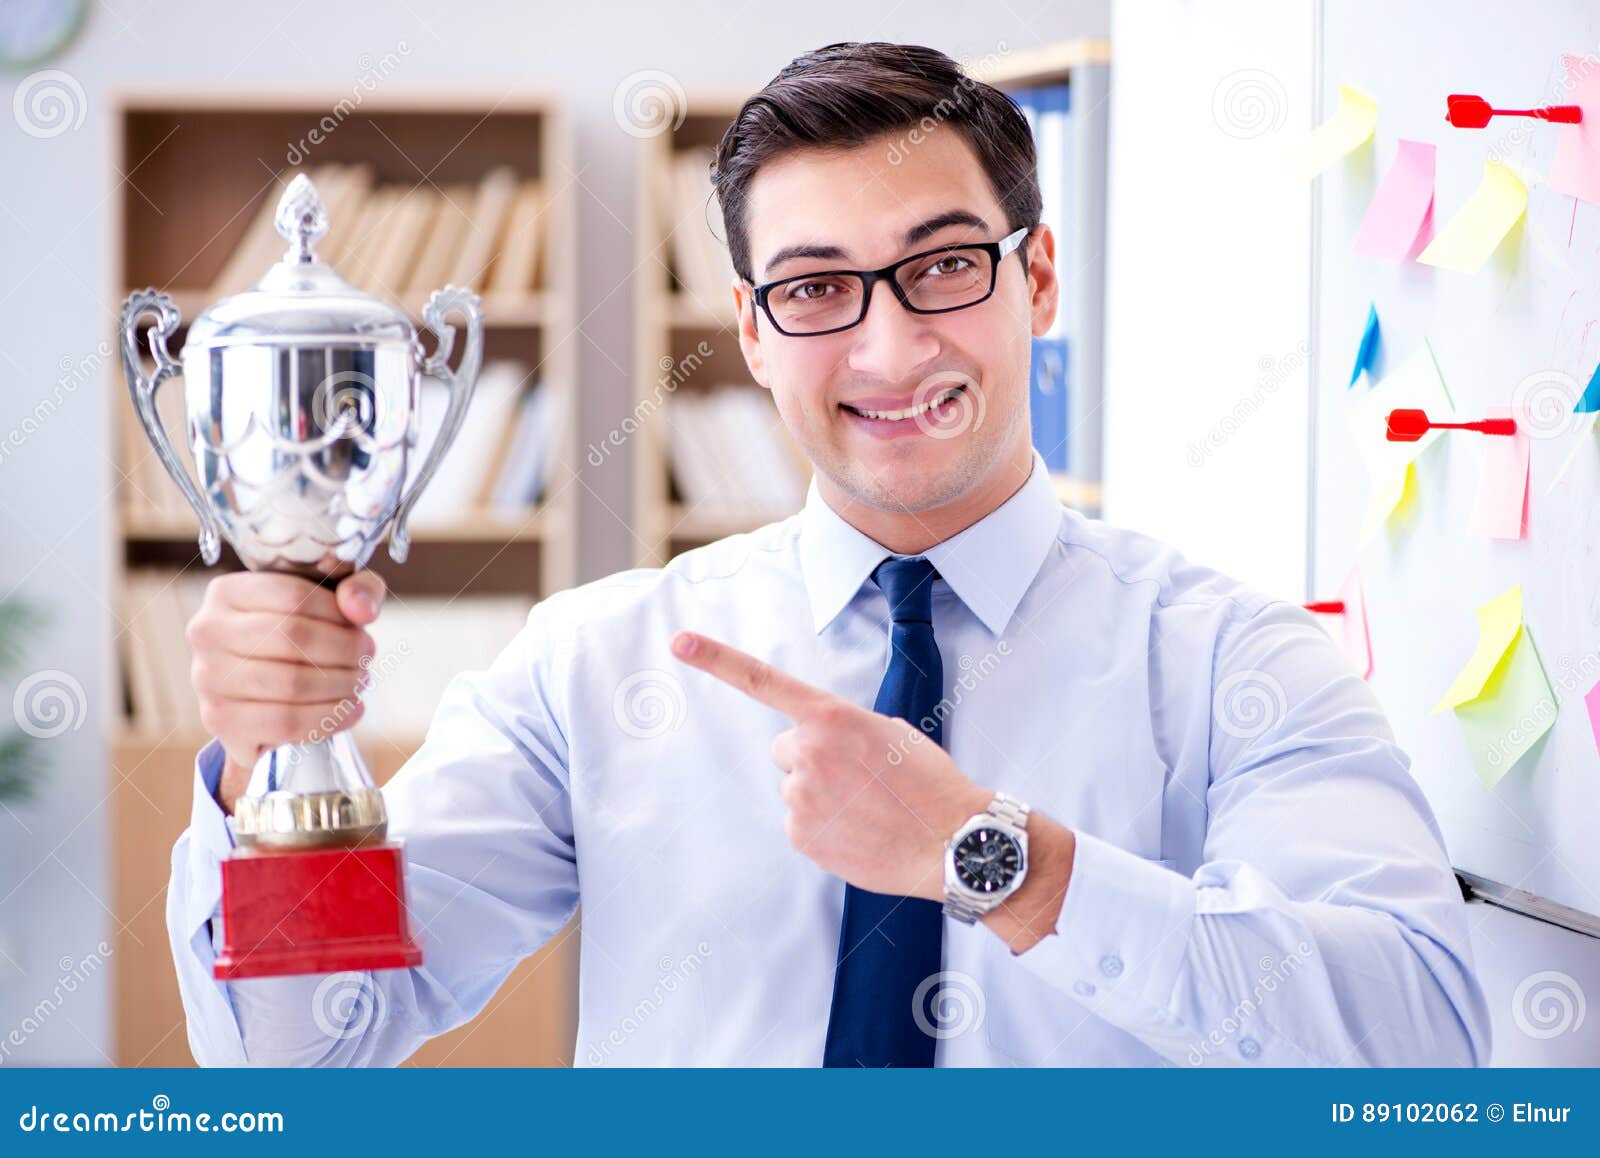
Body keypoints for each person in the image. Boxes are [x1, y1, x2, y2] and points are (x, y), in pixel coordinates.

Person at [167, 41, 1490, 1067]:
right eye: (814, 289)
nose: (888, 348)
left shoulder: (1228, 658)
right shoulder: (595, 664)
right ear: (749, 328)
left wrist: (1003, 858)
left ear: (1036, 279)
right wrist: (263, 765)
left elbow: (1425, 1040)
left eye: (942, 268)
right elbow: (307, 1044)